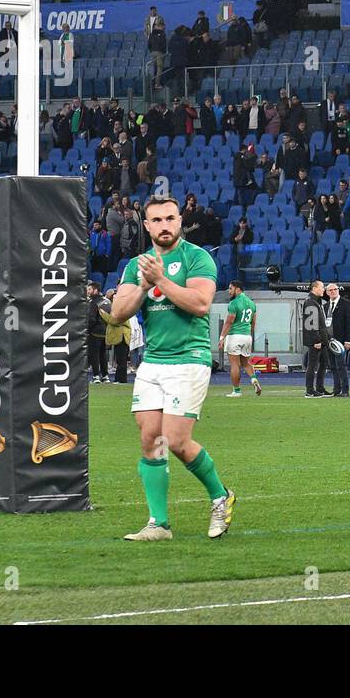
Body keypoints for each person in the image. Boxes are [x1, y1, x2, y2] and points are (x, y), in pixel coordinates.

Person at [110, 196, 235, 542]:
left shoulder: (197, 258)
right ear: (146, 226)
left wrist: (161, 280)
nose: (164, 226)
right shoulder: (136, 265)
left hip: (189, 359)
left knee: (176, 440)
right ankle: (159, 524)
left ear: (180, 221)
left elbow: (200, 304)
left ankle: (220, 496)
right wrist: (145, 285)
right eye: (157, 220)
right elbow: (118, 313)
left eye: (170, 218)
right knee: (151, 438)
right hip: (153, 362)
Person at [218, 280, 262, 397]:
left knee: (234, 364)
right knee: (246, 363)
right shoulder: (251, 303)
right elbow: (253, 322)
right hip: (247, 336)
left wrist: (222, 337)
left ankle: (236, 391)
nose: (229, 291)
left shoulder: (233, 303)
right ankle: (253, 379)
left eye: (230, 288)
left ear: (238, 289)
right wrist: (249, 335)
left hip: (234, 336)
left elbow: (229, 321)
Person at [300, 279, 332, 397]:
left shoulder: (315, 302)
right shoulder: (311, 302)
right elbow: (311, 324)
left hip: (321, 340)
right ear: (314, 288)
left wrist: (326, 338)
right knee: (312, 366)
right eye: (322, 287)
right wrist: (316, 340)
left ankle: (319, 388)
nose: (324, 289)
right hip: (316, 341)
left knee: (323, 363)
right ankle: (309, 390)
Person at [325, 282, 350, 398]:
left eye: (335, 289)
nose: (333, 291)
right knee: (332, 366)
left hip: (341, 341)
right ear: (327, 292)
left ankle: (345, 390)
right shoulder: (325, 306)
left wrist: (348, 340)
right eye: (330, 290)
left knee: (341, 366)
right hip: (329, 341)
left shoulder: (346, 304)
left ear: (338, 290)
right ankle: (336, 389)